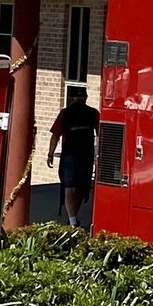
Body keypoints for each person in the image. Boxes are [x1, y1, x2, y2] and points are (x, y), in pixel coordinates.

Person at [47, 84, 101, 227]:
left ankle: (72, 219)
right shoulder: (93, 113)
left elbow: (55, 135)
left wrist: (50, 153)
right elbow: (101, 133)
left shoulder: (65, 113)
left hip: (69, 154)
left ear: (72, 98)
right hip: (86, 155)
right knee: (81, 187)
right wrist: (99, 155)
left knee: (70, 186)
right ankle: (73, 218)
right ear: (85, 97)